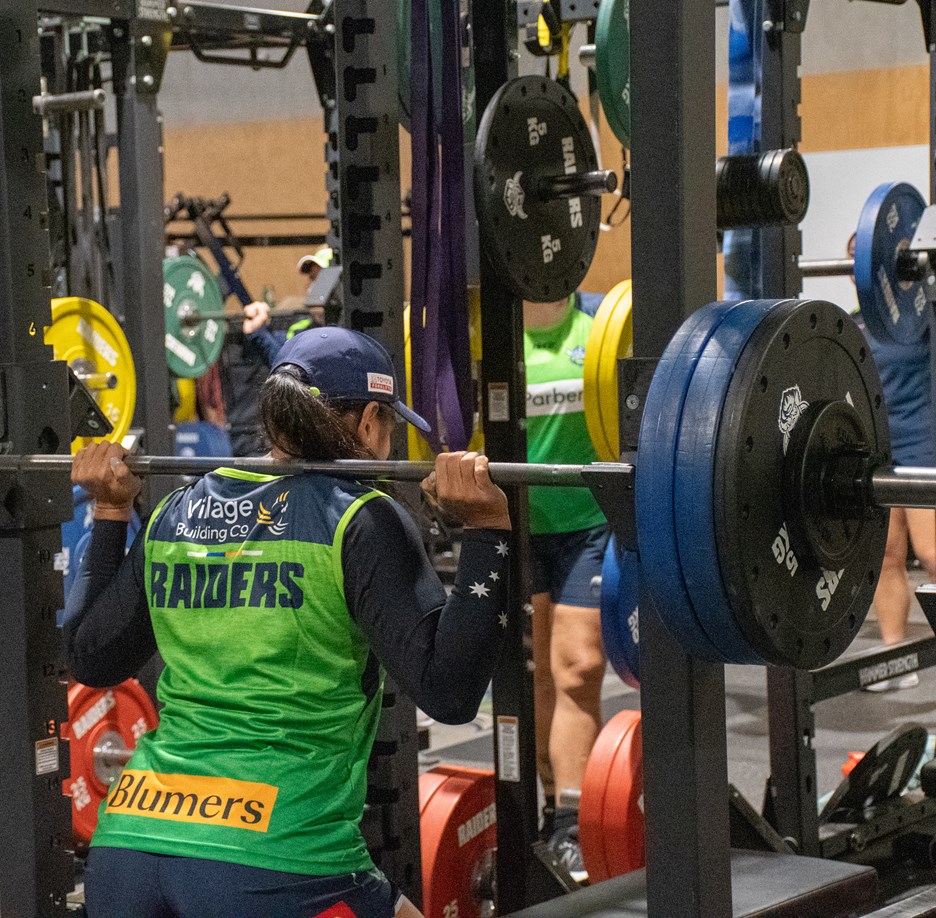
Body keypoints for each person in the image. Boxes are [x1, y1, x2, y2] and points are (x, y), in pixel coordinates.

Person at [65, 326, 512, 918]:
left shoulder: (176, 511)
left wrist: (110, 510)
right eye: (389, 427)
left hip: (130, 847)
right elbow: (450, 693)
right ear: (370, 420)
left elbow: (91, 657)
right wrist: (487, 530)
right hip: (277, 860)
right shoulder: (360, 518)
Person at [522, 291, 609, 878]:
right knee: (536, 674)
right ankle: (549, 807)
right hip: (518, 523)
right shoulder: (488, 336)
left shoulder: (601, 326)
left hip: (587, 523)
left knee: (578, 665)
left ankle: (573, 825)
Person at [849, 233, 936, 688]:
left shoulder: (922, 319)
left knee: (932, 553)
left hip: (922, 443)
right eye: (853, 260)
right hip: (877, 448)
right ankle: (895, 656)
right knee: (886, 556)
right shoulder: (852, 325)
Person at [242, 247, 334, 366]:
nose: (312, 287)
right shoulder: (302, 327)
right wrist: (259, 327)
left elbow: (291, 368)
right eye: (312, 278)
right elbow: (283, 354)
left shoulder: (343, 333)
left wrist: (259, 334)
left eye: (321, 279)